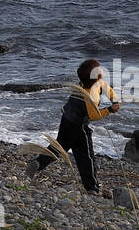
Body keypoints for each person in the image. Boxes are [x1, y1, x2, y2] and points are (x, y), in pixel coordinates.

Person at [26, 58, 121, 194]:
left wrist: (115, 99)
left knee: (59, 147)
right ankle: (92, 187)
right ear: (96, 77)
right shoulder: (89, 95)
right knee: (85, 157)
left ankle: (38, 163)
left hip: (66, 120)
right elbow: (93, 116)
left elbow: (106, 88)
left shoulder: (84, 84)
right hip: (79, 127)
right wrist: (110, 109)